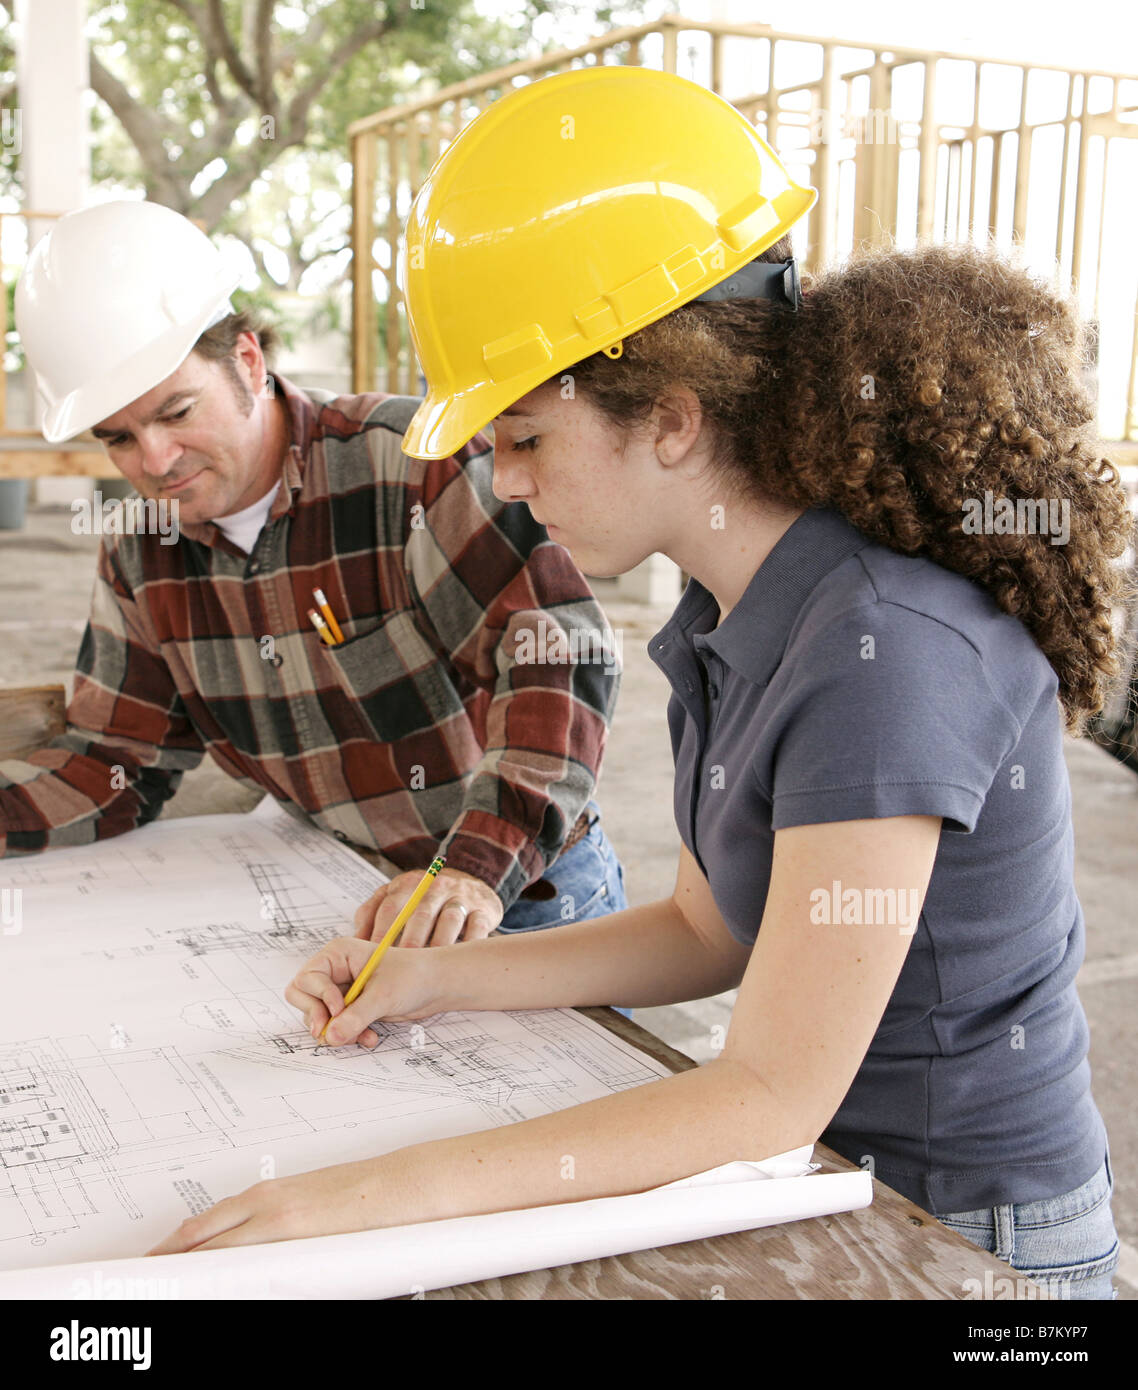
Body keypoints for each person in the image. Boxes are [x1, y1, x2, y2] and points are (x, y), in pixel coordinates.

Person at [149, 67, 1127, 1301]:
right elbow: (706, 931)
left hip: (974, 1246)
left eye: (524, 439)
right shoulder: (738, 610)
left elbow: (770, 1092)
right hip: (839, 1185)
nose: (501, 484)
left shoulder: (884, 649)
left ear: (668, 419)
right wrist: (436, 974)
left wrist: (365, 1196)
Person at [2, 199, 627, 945]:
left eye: (175, 413)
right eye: (119, 439)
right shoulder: (142, 547)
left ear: (247, 360)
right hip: (346, 890)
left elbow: (557, 655)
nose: (155, 462)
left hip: (520, 895)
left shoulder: (411, 468)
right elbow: (117, 761)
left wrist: (470, 868)